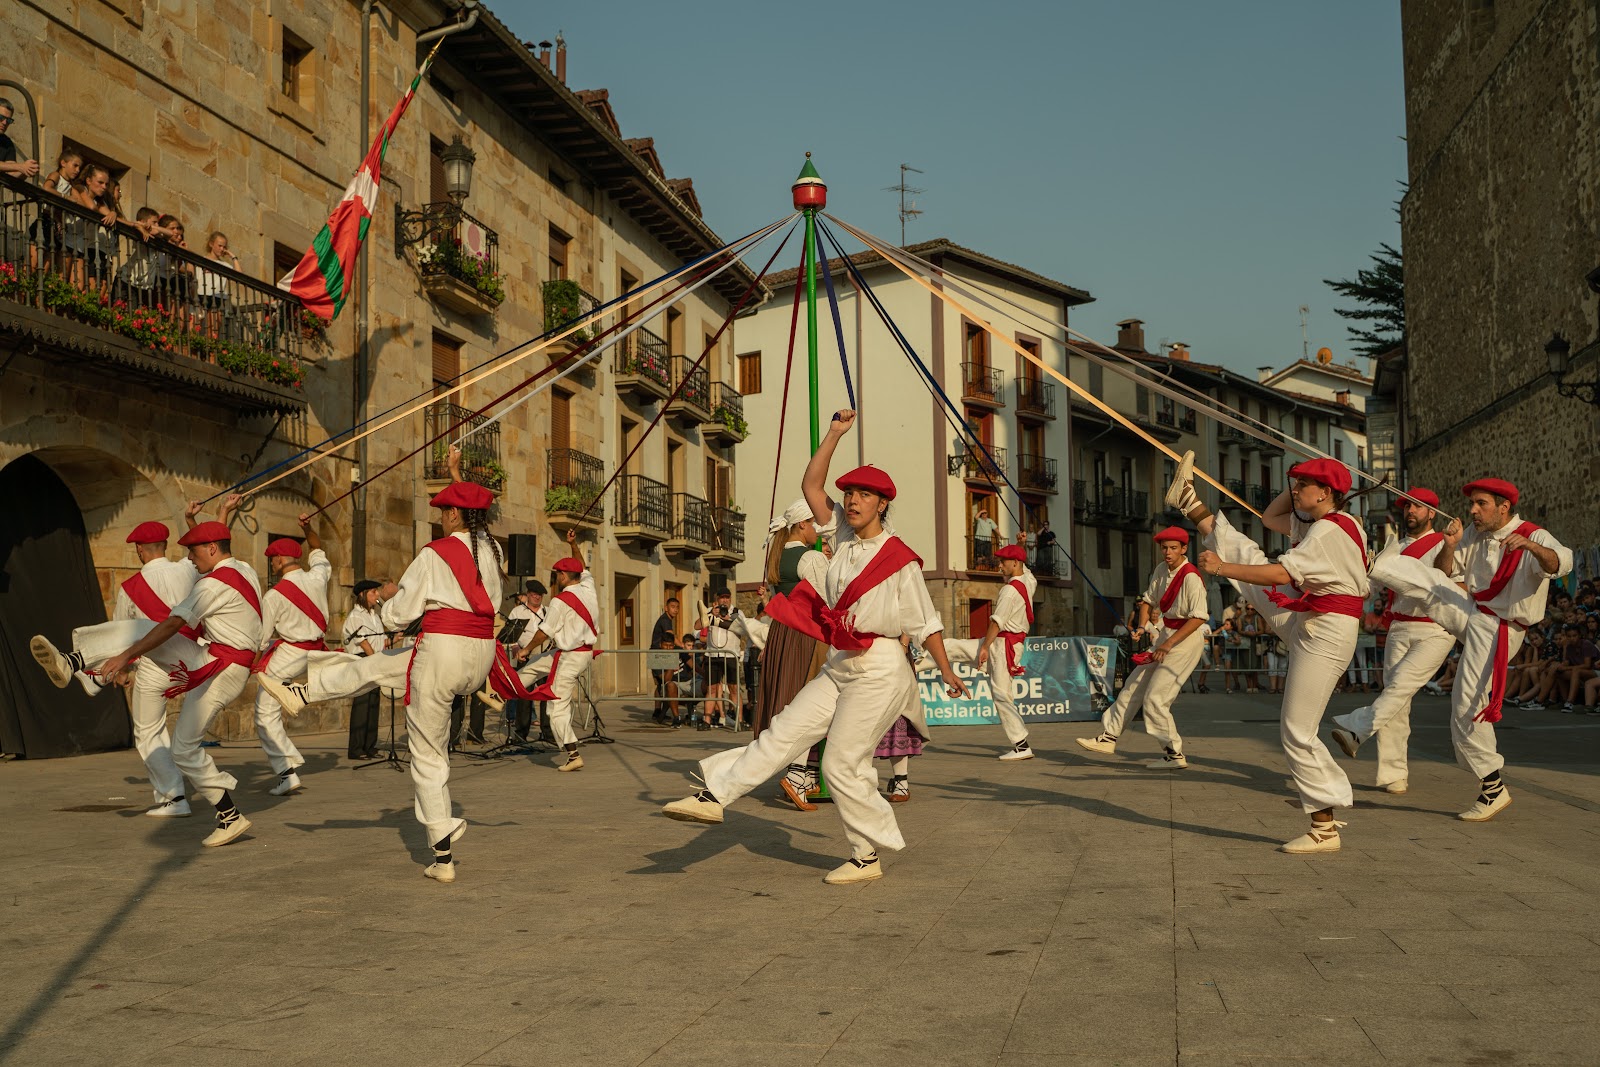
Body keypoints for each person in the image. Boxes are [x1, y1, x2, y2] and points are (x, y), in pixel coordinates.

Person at [660, 409, 967, 885]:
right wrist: (835, 433)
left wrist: (946, 670)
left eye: (864, 495)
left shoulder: (900, 559)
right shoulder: (842, 537)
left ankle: (865, 856)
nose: (853, 500)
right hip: (842, 661)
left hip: (881, 668)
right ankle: (714, 797)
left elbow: (926, 621)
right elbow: (811, 485)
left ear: (883, 504)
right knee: (783, 731)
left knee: (842, 762)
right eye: (850, 493)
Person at [265, 449, 502, 880]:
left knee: (427, 753)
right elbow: (474, 514)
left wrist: (391, 599)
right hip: (478, 654)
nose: (440, 518)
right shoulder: (493, 550)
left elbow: (398, 617)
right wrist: (455, 473)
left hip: (442, 651)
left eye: (444, 511)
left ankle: (443, 847)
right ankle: (303, 691)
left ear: (453, 514)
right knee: (375, 668)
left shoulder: (434, 554)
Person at [37, 498, 263, 848]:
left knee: (144, 631)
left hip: (218, 667)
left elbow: (171, 624)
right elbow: (215, 542)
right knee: (184, 748)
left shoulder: (211, 585)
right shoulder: (244, 570)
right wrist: (217, 517)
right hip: (216, 659)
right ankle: (230, 816)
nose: (190, 558)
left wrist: (125, 657)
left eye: (194, 552)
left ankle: (81, 665)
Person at [1172, 452, 1367, 854]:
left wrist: (1221, 569)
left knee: (1297, 730)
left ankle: (1324, 828)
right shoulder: (1330, 523)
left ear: (1325, 492)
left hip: (1326, 631)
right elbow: (1269, 518)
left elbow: (1281, 572)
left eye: (1303, 485)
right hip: (1312, 616)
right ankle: (1189, 502)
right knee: (1250, 557)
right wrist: (1298, 479)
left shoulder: (1326, 532)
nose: (1294, 490)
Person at [1368, 477, 1571, 821]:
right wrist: (1449, 545)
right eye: (1472, 504)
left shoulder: (1534, 534)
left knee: (1466, 705)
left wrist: (1531, 548)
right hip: (1475, 613)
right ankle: (1379, 566)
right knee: (1433, 583)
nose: (1473, 510)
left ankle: (1493, 788)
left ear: (1503, 507)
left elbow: (1560, 562)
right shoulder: (1474, 535)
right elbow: (1446, 572)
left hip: (1501, 627)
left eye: (1481, 504)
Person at [32, 520, 196, 816]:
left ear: (139, 550)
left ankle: (175, 798)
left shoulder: (130, 588)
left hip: (156, 661)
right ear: (166, 545)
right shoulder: (188, 569)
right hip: (192, 657)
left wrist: (120, 671)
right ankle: (85, 669)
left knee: (148, 731)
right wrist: (207, 515)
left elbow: (121, 632)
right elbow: (205, 544)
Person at [1328, 488, 1457, 794]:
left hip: (1434, 628)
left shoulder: (1446, 543)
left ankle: (1358, 730)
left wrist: (1450, 546)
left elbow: (1443, 578)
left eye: (1417, 506)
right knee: (1396, 701)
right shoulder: (1393, 547)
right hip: (1398, 627)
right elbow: (1368, 587)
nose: (1410, 510)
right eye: (1407, 505)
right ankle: (1393, 774)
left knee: (1399, 688)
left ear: (1432, 513)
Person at [1078, 526, 1210, 767]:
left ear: (1183, 549)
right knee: (1133, 685)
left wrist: (1167, 644)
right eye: (1164, 548)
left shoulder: (1191, 577)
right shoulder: (1161, 569)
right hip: (1166, 634)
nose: (1168, 552)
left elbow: (1199, 617)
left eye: (1173, 548)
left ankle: (1174, 754)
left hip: (1186, 639)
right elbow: (1147, 601)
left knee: (1156, 698)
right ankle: (1108, 737)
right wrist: (1141, 626)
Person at [250, 516, 331, 797]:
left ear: (281, 560)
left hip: (289, 655)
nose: (272, 565)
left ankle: (287, 772)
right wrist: (308, 528)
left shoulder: (273, 596)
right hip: (316, 651)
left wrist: (252, 665)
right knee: (270, 709)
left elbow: (262, 638)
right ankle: (288, 765)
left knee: (264, 712)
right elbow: (317, 548)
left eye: (273, 560)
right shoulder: (318, 577)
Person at [757, 499, 829, 807]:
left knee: (792, 701)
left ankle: (804, 773)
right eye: (814, 524)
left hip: (782, 632)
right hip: (806, 634)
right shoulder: (810, 558)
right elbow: (831, 597)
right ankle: (799, 774)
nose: (817, 531)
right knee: (812, 704)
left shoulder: (777, 558)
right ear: (802, 524)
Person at [942, 538, 1040, 760]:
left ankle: (1022, 746)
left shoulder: (1010, 591)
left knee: (1001, 694)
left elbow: (997, 622)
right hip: (1003, 645)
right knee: (951, 646)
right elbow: (1025, 567)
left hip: (1002, 646)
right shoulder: (1028, 581)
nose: (1000, 566)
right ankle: (916, 665)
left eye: (1003, 562)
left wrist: (985, 647)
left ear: (1014, 563)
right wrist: (1020, 544)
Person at [524, 528, 600, 770]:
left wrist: (525, 649)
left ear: (565, 576)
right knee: (535, 665)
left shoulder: (559, 601)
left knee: (556, 707)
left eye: (558, 574)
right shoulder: (588, 587)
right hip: (574, 653)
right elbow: (582, 566)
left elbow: (544, 632)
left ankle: (573, 754)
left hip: (570, 657)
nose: (556, 577)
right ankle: (500, 694)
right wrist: (573, 544)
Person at [343, 579, 388, 760]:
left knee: (373, 703)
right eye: (373, 592)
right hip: (364, 659)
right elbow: (363, 642)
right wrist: (375, 661)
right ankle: (356, 748)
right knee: (362, 704)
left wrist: (395, 638)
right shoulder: (356, 616)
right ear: (362, 594)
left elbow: (380, 641)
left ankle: (370, 746)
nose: (377, 595)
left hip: (375, 659)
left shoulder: (375, 616)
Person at [700, 589, 744, 728]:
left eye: (727, 597)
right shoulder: (710, 611)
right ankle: (707, 720)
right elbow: (697, 626)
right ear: (717, 599)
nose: (725, 600)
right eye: (722, 597)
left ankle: (739, 721)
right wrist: (711, 615)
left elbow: (743, 630)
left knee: (734, 688)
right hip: (713, 654)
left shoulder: (737, 612)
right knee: (711, 688)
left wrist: (727, 619)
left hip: (730, 655)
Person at [650, 598, 680, 722]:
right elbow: (671, 637)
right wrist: (683, 647)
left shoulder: (666, 619)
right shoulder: (665, 620)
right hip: (658, 654)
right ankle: (659, 711)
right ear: (666, 608)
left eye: (677, 607)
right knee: (662, 682)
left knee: (659, 683)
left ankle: (657, 710)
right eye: (672, 607)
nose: (675, 610)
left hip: (657, 653)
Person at [0, 99, 39, 179]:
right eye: (1, 117)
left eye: (8, 120)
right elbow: (16, 167)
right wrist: (20, 167)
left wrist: (27, 169)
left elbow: (11, 174)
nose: (4, 123)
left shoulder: (7, 143)